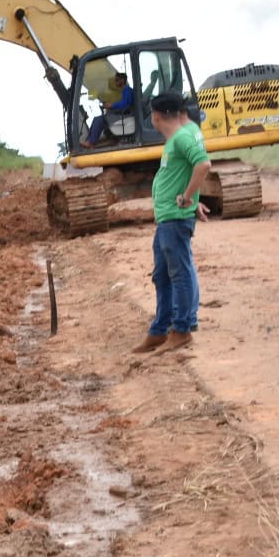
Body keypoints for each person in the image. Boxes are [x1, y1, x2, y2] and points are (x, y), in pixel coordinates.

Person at [132, 92, 212, 354]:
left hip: (175, 219)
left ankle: (181, 330)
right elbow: (188, 171)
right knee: (162, 275)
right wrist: (195, 199)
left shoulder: (182, 138)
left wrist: (188, 198)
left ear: (156, 117)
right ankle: (160, 329)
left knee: (179, 274)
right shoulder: (176, 138)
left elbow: (203, 165)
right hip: (167, 218)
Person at [82, 72, 134, 148]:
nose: (116, 82)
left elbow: (125, 104)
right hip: (124, 114)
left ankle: (91, 142)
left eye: (117, 80)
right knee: (99, 118)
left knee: (99, 119)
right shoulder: (124, 91)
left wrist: (112, 105)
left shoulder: (127, 90)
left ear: (123, 80)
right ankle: (90, 140)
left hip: (125, 116)